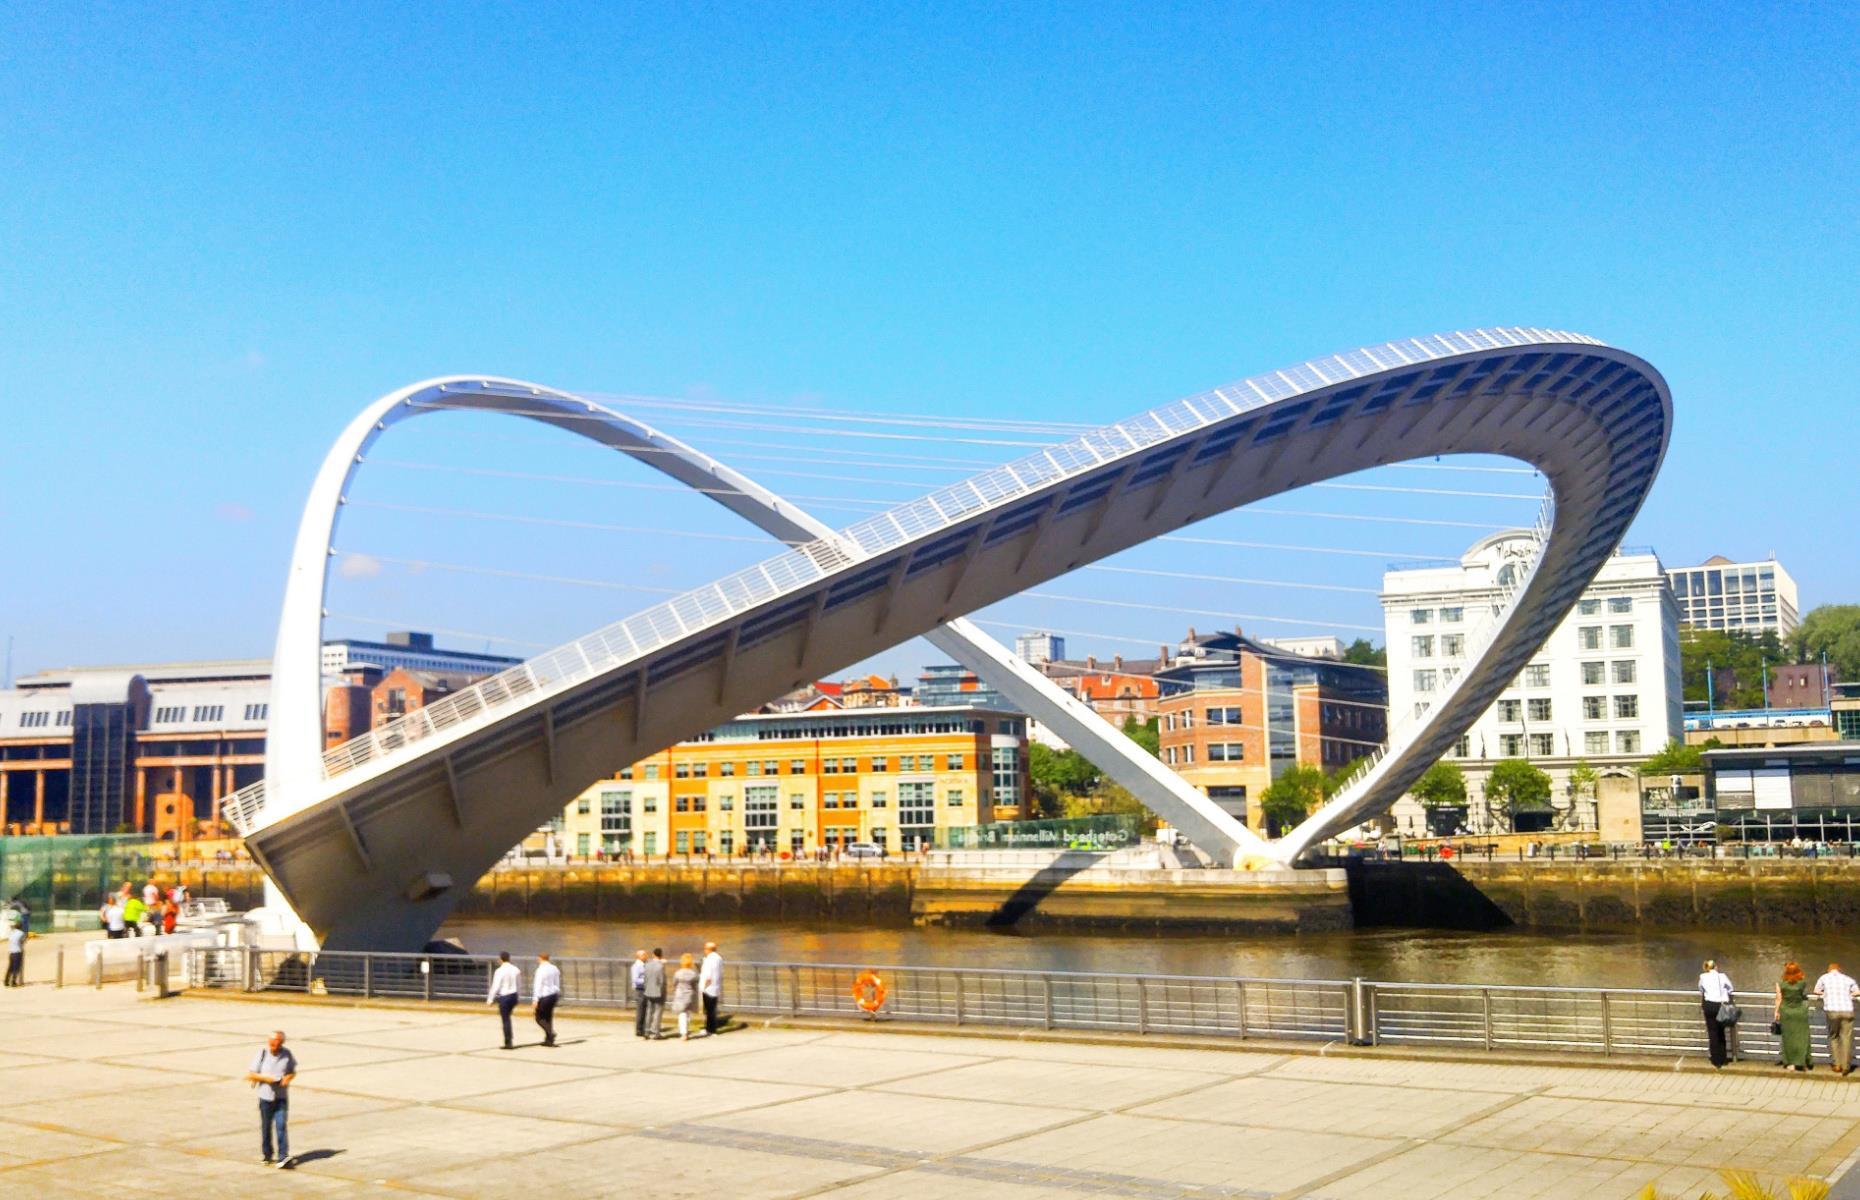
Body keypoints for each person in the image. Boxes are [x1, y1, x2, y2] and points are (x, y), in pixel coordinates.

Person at [243, 1030, 298, 1167]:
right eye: (272, 1042)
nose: (274, 1045)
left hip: (281, 1097)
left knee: (281, 1126)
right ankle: (267, 1154)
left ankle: (282, 1157)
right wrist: (266, 1079)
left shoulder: (287, 1054)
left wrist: (287, 1078)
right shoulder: (262, 1053)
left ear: (282, 1043)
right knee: (266, 1127)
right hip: (265, 1097)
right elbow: (250, 1075)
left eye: (277, 1043)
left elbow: (292, 1071)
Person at [1814, 961, 1860, 1075]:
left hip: (1832, 1010)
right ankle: (1846, 1066)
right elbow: (1857, 992)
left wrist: (1825, 994)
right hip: (1847, 1010)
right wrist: (1849, 995)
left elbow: (1816, 991)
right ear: (1840, 970)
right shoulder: (1848, 979)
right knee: (1846, 1038)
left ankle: (1837, 1064)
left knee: (1834, 1036)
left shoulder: (1824, 978)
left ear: (1829, 970)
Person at [1775, 961, 1813, 1071]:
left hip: (1786, 1011)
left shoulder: (1781, 983)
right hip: (1800, 1011)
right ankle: (1803, 1061)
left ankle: (1790, 1062)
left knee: (1788, 1038)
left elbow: (1779, 998)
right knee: (1802, 1037)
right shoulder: (1802, 982)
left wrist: (1776, 1012)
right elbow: (1803, 995)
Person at [1698, 959, 1735, 1068]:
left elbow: (1701, 989)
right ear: (1716, 967)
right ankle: (1723, 1058)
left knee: (1712, 1032)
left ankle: (1715, 1060)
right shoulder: (1722, 976)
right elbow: (1730, 988)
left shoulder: (1702, 977)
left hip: (1708, 1005)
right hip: (1720, 1006)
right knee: (1721, 1032)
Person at [487, 951, 522, 1049]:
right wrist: (518, 997)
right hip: (514, 995)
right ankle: (509, 1039)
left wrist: (490, 999)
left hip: (505, 996)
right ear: (509, 959)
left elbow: (495, 986)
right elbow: (519, 985)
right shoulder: (516, 969)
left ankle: (508, 1041)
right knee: (508, 1017)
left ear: (501, 959)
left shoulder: (499, 971)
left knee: (505, 1019)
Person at [533, 953, 562, 1048]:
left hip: (544, 995)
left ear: (540, 958)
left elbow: (538, 985)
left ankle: (551, 1033)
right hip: (553, 994)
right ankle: (549, 1040)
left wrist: (535, 999)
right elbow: (557, 982)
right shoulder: (554, 968)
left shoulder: (540, 970)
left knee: (539, 1018)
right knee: (549, 1017)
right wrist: (557, 993)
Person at [670, 953, 700, 1041]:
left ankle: (684, 1033)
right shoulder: (693, 974)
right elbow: (696, 982)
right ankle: (686, 1030)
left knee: (681, 1014)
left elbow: (674, 983)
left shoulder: (678, 973)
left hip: (680, 995)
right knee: (688, 1013)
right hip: (689, 995)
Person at [699, 940, 724, 1036]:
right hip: (716, 986)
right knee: (713, 1009)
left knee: (709, 1010)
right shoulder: (719, 958)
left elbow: (708, 975)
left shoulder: (709, 959)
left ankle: (709, 1029)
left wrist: (703, 986)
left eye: (705, 948)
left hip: (708, 988)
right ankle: (712, 1029)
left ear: (708, 950)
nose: (704, 950)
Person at [641, 948, 667, 1039]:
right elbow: (662, 981)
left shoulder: (647, 965)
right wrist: (663, 992)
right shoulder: (660, 966)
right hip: (658, 992)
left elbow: (645, 979)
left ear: (653, 954)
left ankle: (646, 1031)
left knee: (649, 1011)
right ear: (661, 955)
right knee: (657, 1012)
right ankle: (656, 1032)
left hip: (648, 991)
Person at [630, 949, 650, 1038]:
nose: (646, 956)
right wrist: (646, 980)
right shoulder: (636, 966)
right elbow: (635, 979)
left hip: (644, 989)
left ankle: (644, 1028)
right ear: (640, 956)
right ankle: (639, 1030)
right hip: (640, 990)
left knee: (645, 1009)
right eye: (644, 955)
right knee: (640, 1010)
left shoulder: (645, 964)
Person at [5, 919, 24, 987]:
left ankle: (6, 981)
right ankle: (13, 982)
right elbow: (22, 941)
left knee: (10, 967)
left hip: (11, 952)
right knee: (16, 968)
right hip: (17, 952)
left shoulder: (11, 932)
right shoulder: (21, 933)